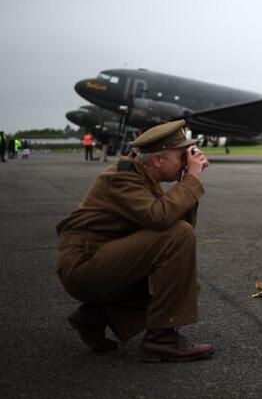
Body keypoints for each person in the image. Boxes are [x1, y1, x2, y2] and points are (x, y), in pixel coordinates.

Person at [55, 119, 215, 361]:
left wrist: (187, 181)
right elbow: (163, 220)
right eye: (182, 156)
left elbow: (176, 232)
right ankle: (162, 340)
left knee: (184, 283)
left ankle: (96, 316)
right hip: (84, 265)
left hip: (103, 260)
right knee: (179, 236)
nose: (187, 161)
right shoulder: (122, 178)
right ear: (158, 160)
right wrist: (191, 180)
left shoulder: (144, 177)